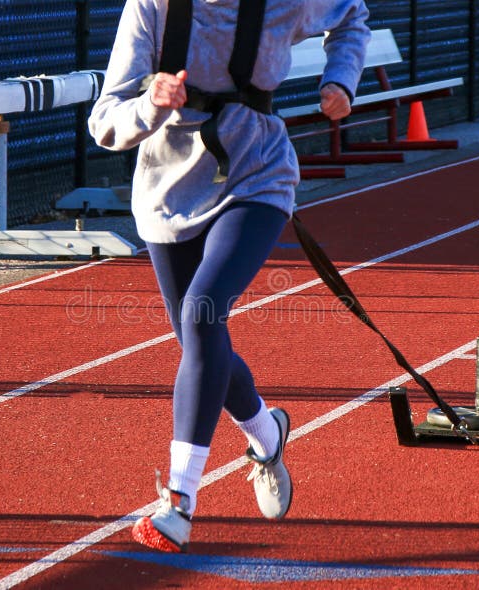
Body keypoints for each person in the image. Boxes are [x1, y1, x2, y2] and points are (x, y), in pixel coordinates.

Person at [88, 0, 370, 553]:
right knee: (200, 338)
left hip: (256, 174)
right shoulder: (150, 8)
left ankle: (178, 501)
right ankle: (267, 434)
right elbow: (105, 121)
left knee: (202, 311)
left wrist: (343, 80)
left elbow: (352, 14)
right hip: (167, 189)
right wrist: (151, 103)